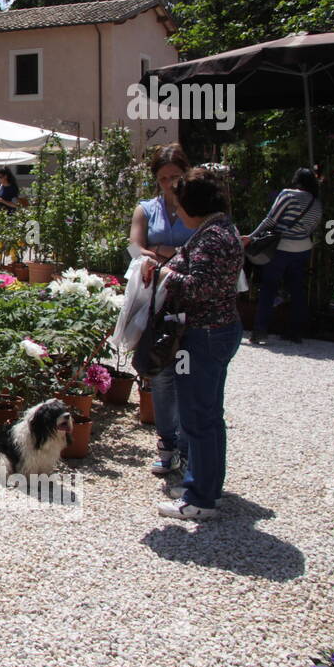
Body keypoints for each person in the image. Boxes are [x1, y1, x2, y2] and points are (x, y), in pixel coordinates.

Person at [144, 169, 244, 521]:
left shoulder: (212, 237)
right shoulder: (221, 228)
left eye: (179, 205)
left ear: (192, 205)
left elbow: (200, 287)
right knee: (209, 416)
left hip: (204, 334)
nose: (177, 212)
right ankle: (205, 486)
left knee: (197, 418)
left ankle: (200, 497)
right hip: (220, 330)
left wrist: (163, 276)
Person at [129, 143, 193, 477]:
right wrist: (155, 252)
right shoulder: (146, 209)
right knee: (162, 372)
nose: (169, 183)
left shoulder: (198, 206)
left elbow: (207, 245)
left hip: (191, 297)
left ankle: (189, 446)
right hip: (158, 298)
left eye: (175, 177)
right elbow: (134, 246)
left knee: (191, 371)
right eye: (164, 178)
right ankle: (167, 444)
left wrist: (169, 253)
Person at [244, 168, 323, 345]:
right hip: (303, 249)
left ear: (296, 179)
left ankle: (260, 331)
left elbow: (270, 220)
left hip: (280, 249)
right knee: (297, 290)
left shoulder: (288, 195)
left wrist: (251, 237)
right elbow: (312, 228)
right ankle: (294, 332)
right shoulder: (316, 203)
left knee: (269, 288)